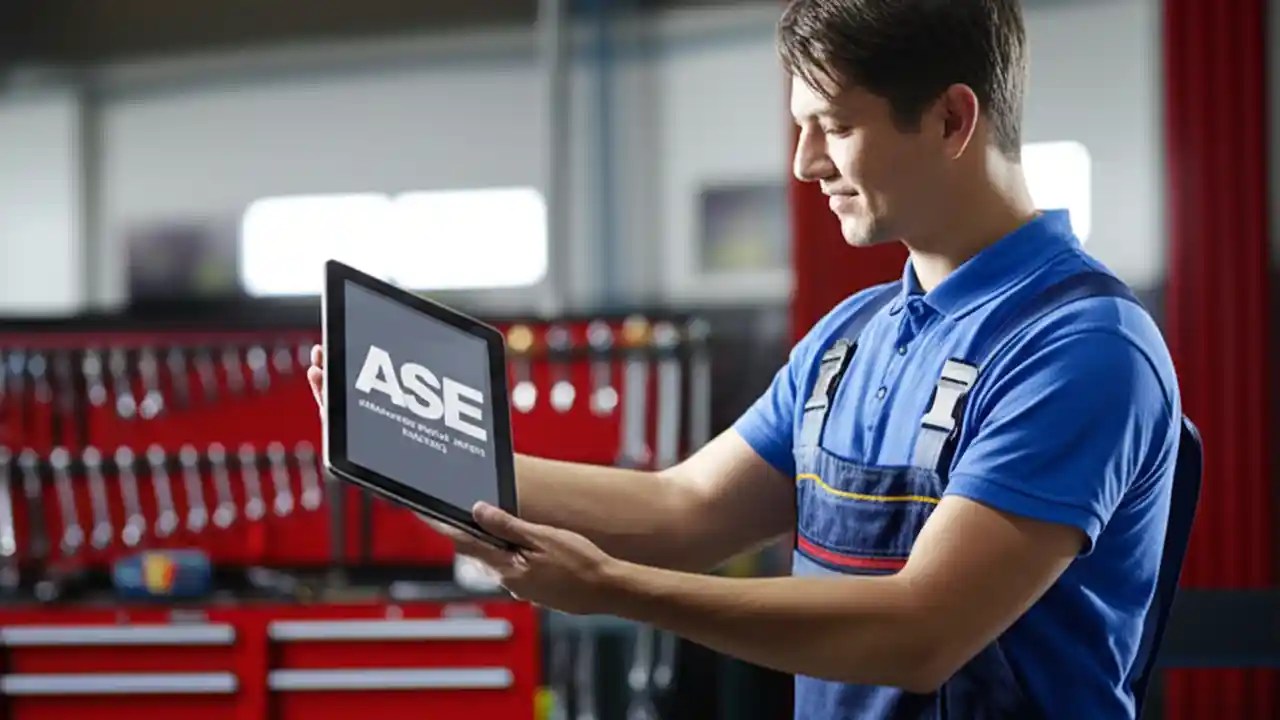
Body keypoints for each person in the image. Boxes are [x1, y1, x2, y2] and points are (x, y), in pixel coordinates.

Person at [308, 0, 1181, 717]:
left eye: (833, 125)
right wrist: (418, 445)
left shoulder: (1080, 348)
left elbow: (920, 631)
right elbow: (683, 506)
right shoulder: (853, 336)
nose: (804, 163)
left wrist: (615, 589)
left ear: (953, 118)